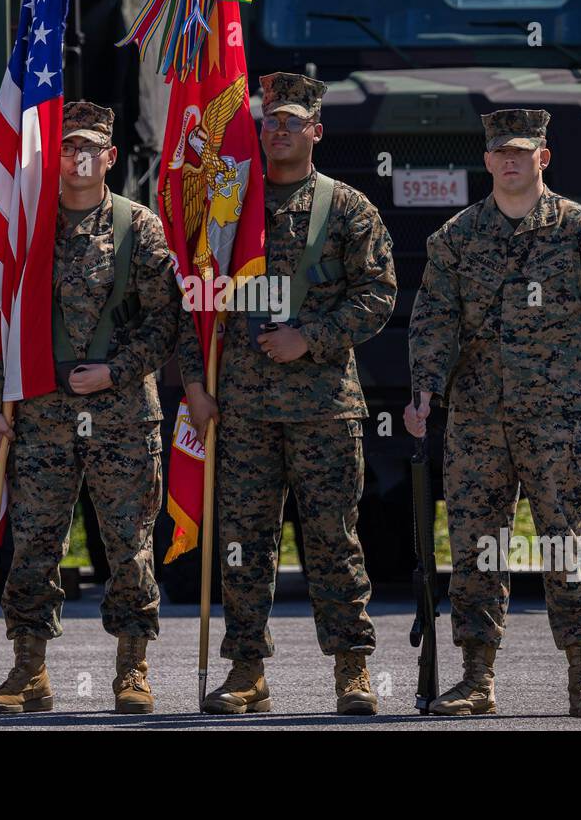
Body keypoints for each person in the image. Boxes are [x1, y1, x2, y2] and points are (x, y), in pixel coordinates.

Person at [405, 108, 581, 718]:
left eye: (522, 151)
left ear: (544, 157)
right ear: (486, 160)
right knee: (478, 546)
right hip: (477, 417)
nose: (510, 161)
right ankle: (477, 679)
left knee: (564, 544)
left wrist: (562, 358)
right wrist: (426, 390)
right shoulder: (456, 238)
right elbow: (433, 321)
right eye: (499, 152)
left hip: (558, 416)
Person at [183, 71, 397, 716]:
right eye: (271, 120)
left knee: (333, 538)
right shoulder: (227, 208)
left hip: (323, 406)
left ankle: (352, 670)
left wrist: (312, 337)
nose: (280, 130)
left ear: (316, 131)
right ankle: (246, 672)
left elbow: (378, 294)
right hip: (241, 407)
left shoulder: (347, 207)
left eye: (293, 121)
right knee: (243, 541)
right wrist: (195, 384)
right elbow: (196, 300)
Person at [0, 101, 180, 715]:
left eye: (91, 146)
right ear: (53, 158)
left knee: (129, 546)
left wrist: (116, 371)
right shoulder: (28, 231)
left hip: (121, 415)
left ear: (110, 157)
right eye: (68, 147)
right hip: (41, 416)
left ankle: (132, 670)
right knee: (35, 543)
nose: (78, 156)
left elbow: (166, 319)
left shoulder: (138, 227)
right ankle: (28, 670)